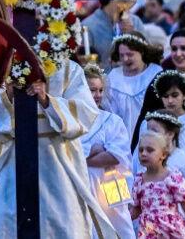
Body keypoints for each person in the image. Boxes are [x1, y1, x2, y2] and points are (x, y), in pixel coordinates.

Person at [0, 57, 116, 237]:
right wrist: (7, 95)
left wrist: (47, 100)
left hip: (58, 160)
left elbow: (85, 111)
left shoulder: (67, 68)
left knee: (63, 223)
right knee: (10, 223)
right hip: (12, 158)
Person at [134, 110, 185, 235]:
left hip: (172, 230)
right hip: (149, 231)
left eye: (154, 131)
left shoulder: (181, 164)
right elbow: (137, 208)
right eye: (147, 131)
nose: (149, 135)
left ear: (170, 134)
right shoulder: (141, 176)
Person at [81, 64, 135, 239]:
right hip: (82, 184)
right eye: (92, 90)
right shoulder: (72, 122)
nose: (97, 95)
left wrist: (82, 157)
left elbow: (114, 156)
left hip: (110, 185)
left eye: (100, 90)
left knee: (118, 229)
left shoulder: (112, 121)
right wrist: (95, 150)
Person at [104, 33, 163, 136]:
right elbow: (108, 110)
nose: (125, 59)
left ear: (142, 52)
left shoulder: (155, 73)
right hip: (120, 134)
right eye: (122, 55)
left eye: (130, 54)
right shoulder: (114, 76)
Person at [83, 0, 146, 69]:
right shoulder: (88, 26)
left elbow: (146, 56)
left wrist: (132, 35)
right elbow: (86, 65)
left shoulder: (135, 22)